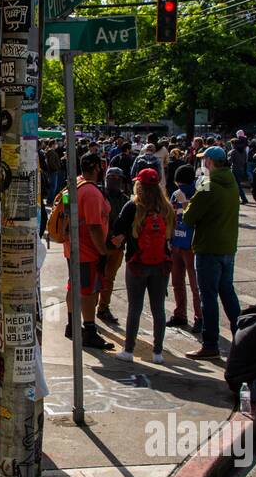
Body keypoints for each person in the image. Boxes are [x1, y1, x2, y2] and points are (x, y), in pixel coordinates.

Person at [181, 146, 241, 360]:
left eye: (204, 160)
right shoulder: (232, 181)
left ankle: (210, 343)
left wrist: (186, 205)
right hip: (228, 245)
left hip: (208, 246)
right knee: (228, 293)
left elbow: (189, 218)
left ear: (209, 162)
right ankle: (242, 337)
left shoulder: (207, 184)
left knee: (209, 297)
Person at [113, 168, 174, 363]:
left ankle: (129, 350)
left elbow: (117, 229)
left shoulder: (133, 206)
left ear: (138, 185)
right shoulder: (166, 208)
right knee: (159, 309)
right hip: (161, 263)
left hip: (137, 264)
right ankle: (157, 353)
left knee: (135, 308)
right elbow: (170, 235)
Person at [63, 152, 113, 350]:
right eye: (100, 166)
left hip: (73, 249)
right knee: (88, 291)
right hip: (87, 251)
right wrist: (103, 252)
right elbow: (94, 226)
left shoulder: (76, 184)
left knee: (73, 286)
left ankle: (72, 325)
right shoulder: (91, 192)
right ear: (96, 168)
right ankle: (89, 331)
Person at [167, 164, 202, 335]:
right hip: (181, 242)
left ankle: (194, 316)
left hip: (187, 243)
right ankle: (187, 315)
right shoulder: (183, 194)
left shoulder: (196, 194)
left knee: (190, 284)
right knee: (184, 282)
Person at [97, 167, 128, 325]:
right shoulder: (99, 195)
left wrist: (122, 237)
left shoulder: (125, 199)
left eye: (117, 177)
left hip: (117, 247)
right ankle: (90, 310)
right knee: (96, 279)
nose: (114, 180)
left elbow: (131, 222)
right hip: (99, 245)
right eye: (111, 177)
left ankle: (103, 308)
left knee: (109, 279)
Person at [228, 136, 250, 204]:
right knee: (237, 185)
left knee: (236, 185)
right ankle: (239, 198)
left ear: (234, 144)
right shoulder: (243, 151)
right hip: (241, 169)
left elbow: (229, 161)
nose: (231, 145)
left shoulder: (233, 151)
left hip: (235, 169)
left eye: (231, 144)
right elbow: (245, 161)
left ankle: (243, 199)